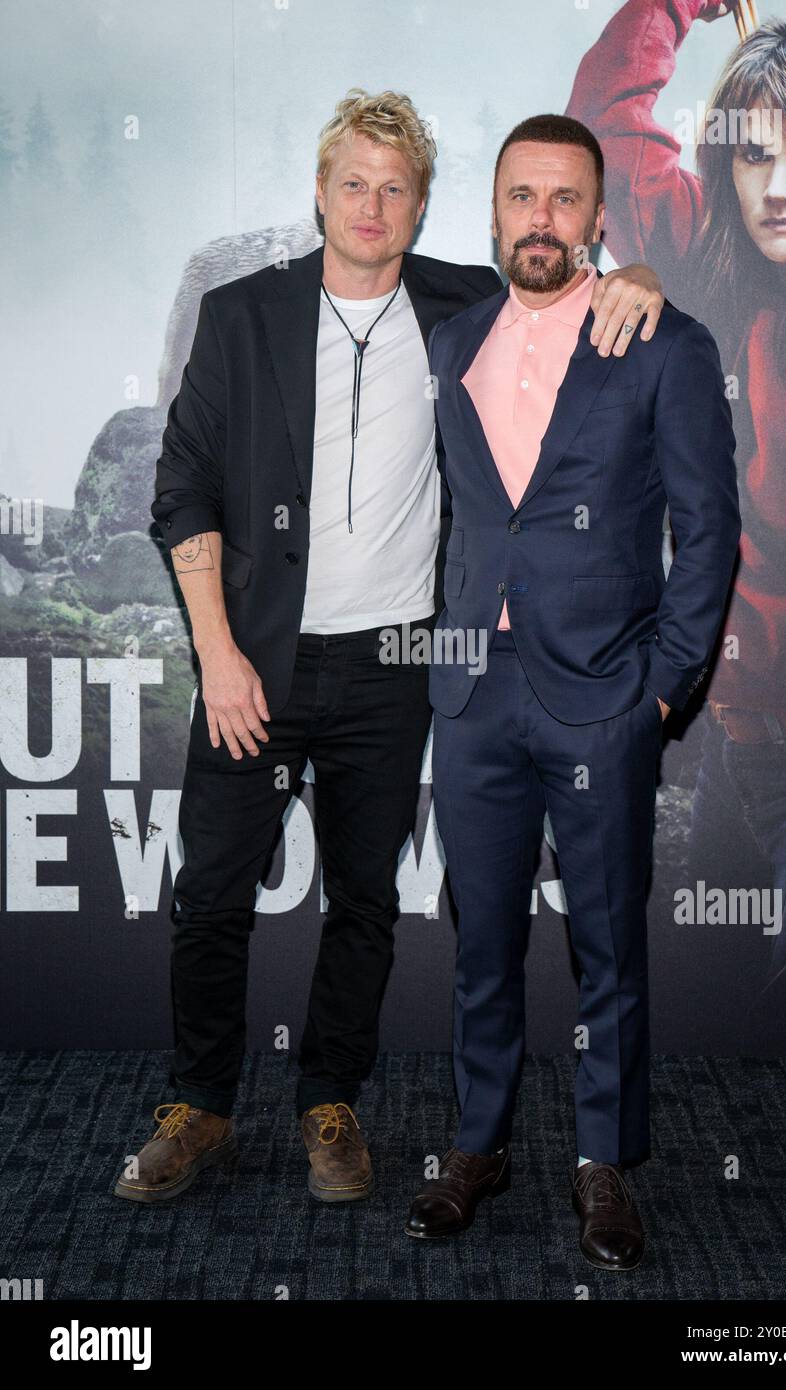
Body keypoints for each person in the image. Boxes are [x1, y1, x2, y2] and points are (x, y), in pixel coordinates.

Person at [114, 90, 666, 1204]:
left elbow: (563, 283)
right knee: (212, 894)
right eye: (351, 182)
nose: (370, 204)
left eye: (393, 187)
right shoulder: (240, 316)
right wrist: (216, 652)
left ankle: (331, 1098)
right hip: (252, 664)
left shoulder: (463, 304)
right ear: (319, 192)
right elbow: (182, 493)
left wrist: (634, 279)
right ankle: (201, 1103)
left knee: (364, 897)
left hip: (395, 663)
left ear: (420, 208)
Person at [405, 114, 741, 1268]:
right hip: (473, 696)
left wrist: (659, 691)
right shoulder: (450, 339)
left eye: (562, 200)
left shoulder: (659, 339)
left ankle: (604, 1160)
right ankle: (477, 1140)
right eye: (518, 197)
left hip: (604, 695)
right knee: (481, 939)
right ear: (491, 212)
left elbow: (707, 536)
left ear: (598, 219)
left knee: (605, 945)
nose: (539, 219)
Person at [568, 7, 786, 1047]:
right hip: (739, 739)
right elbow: (607, 126)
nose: (775, 184)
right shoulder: (715, 261)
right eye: (751, 155)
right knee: (714, 1024)